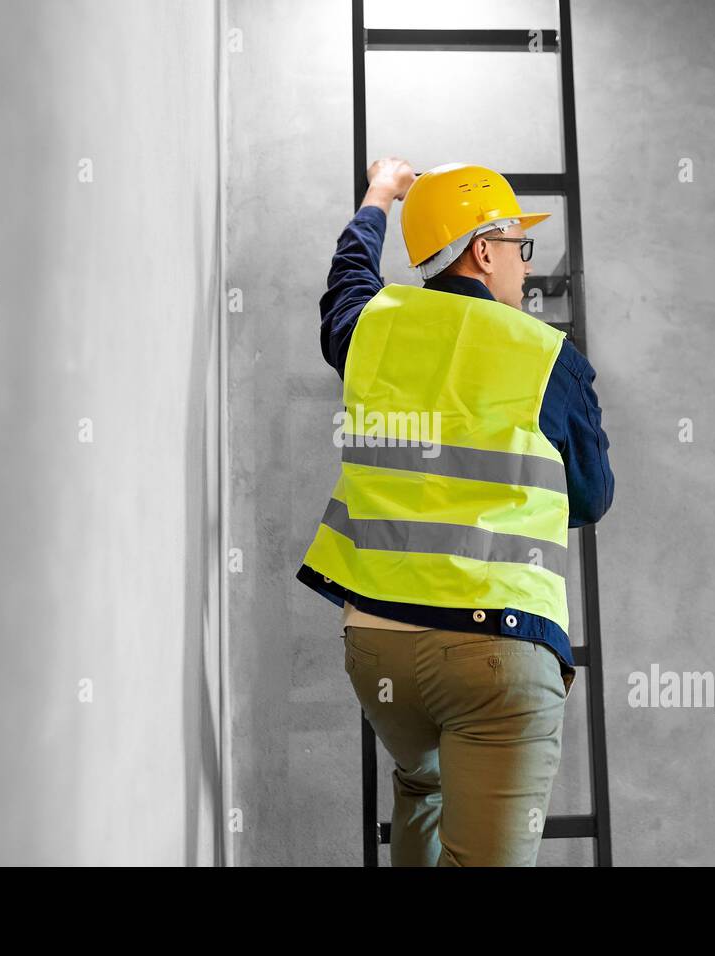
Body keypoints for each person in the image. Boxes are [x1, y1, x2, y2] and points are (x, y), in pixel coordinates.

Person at [296, 157, 615, 866]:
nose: (523, 268)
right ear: (482, 250)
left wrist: (380, 195)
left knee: (422, 782)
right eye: (517, 247)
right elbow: (592, 497)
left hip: (379, 649)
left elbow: (346, 278)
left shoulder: (371, 327)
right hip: (495, 651)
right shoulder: (546, 355)